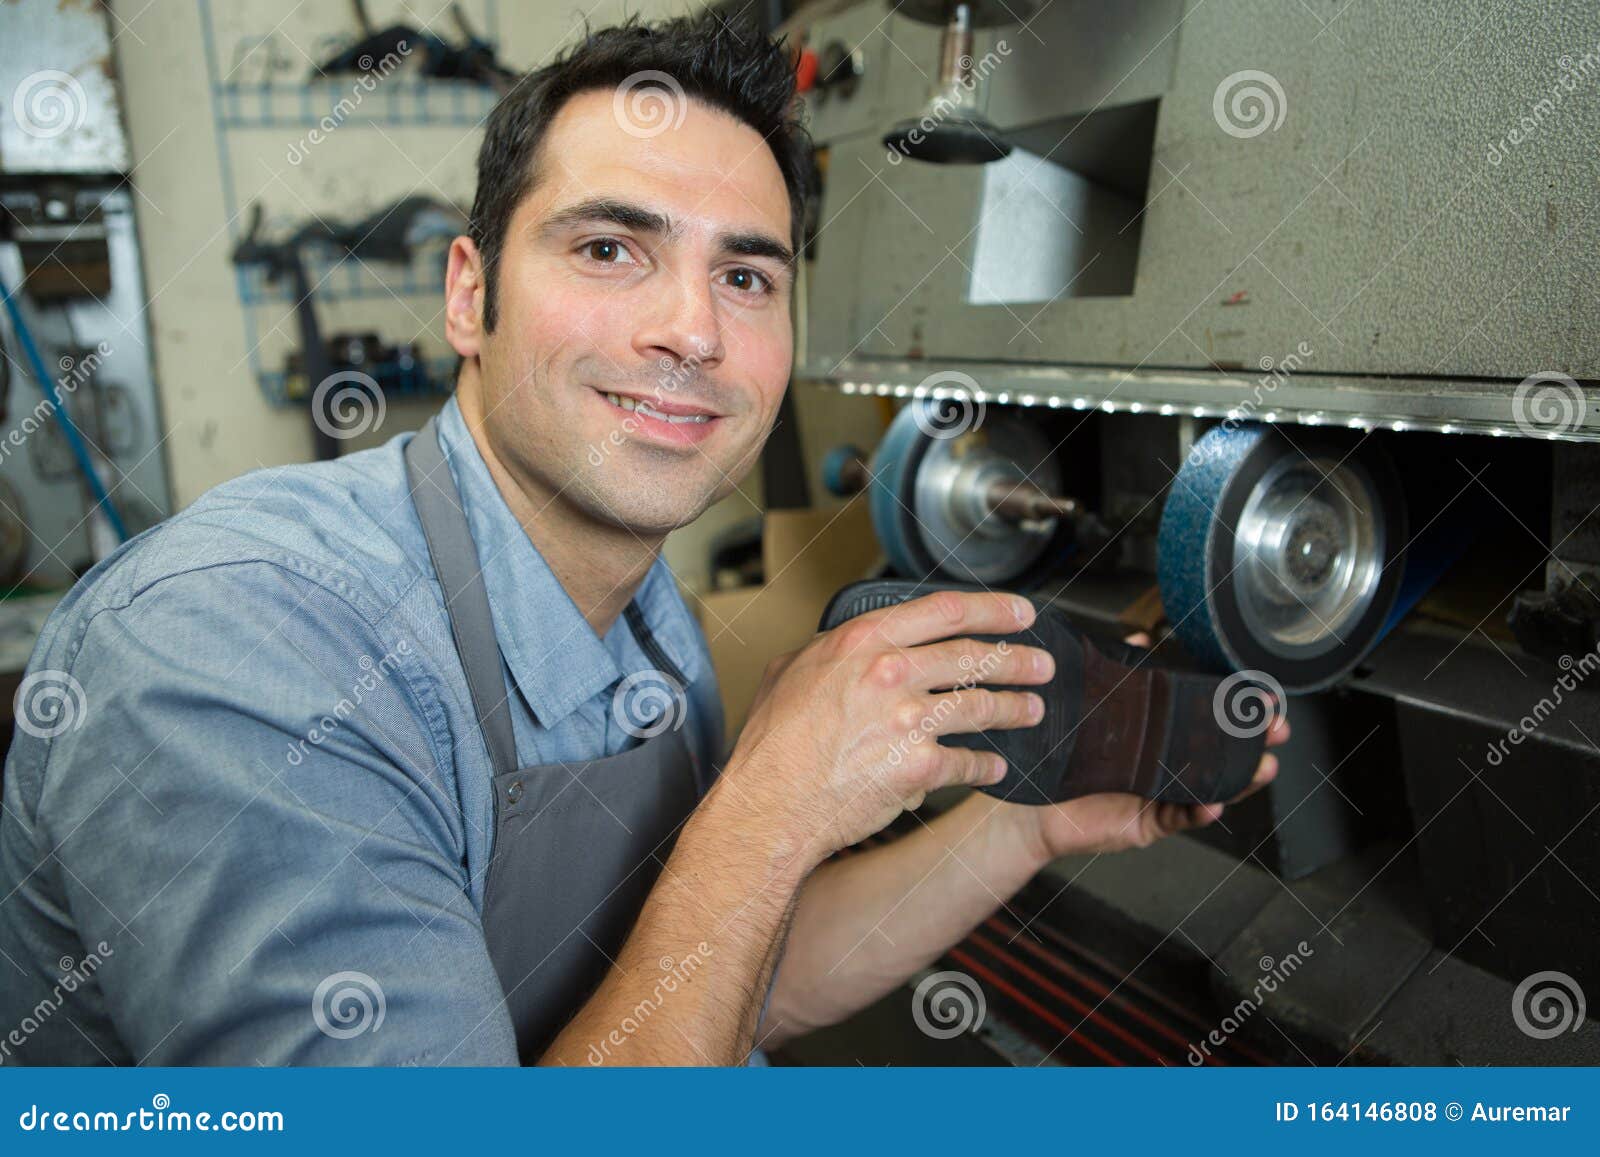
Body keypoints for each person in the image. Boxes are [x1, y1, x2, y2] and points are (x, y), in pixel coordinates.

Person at [0, 10, 1284, 1066]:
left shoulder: (639, 619)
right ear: (468, 292)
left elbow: (729, 982)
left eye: (747, 275)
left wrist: (1016, 829)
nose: (695, 332)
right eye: (611, 246)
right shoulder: (240, 644)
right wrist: (774, 801)